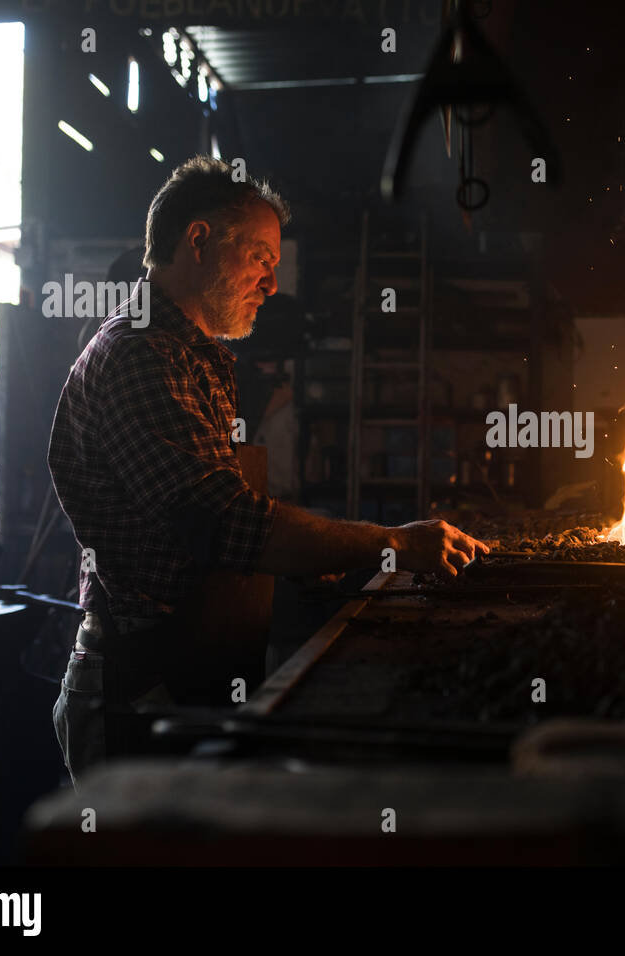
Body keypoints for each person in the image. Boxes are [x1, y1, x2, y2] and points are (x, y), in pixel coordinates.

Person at [47, 156, 486, 787]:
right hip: (143, 688)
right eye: (261, 259)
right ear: (197, 241)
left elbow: (226, 535)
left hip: (189, 669)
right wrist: (392, 544)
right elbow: (223, 521)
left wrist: (326, 562)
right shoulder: (141, 356)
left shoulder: (197, 359)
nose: (271, 285)